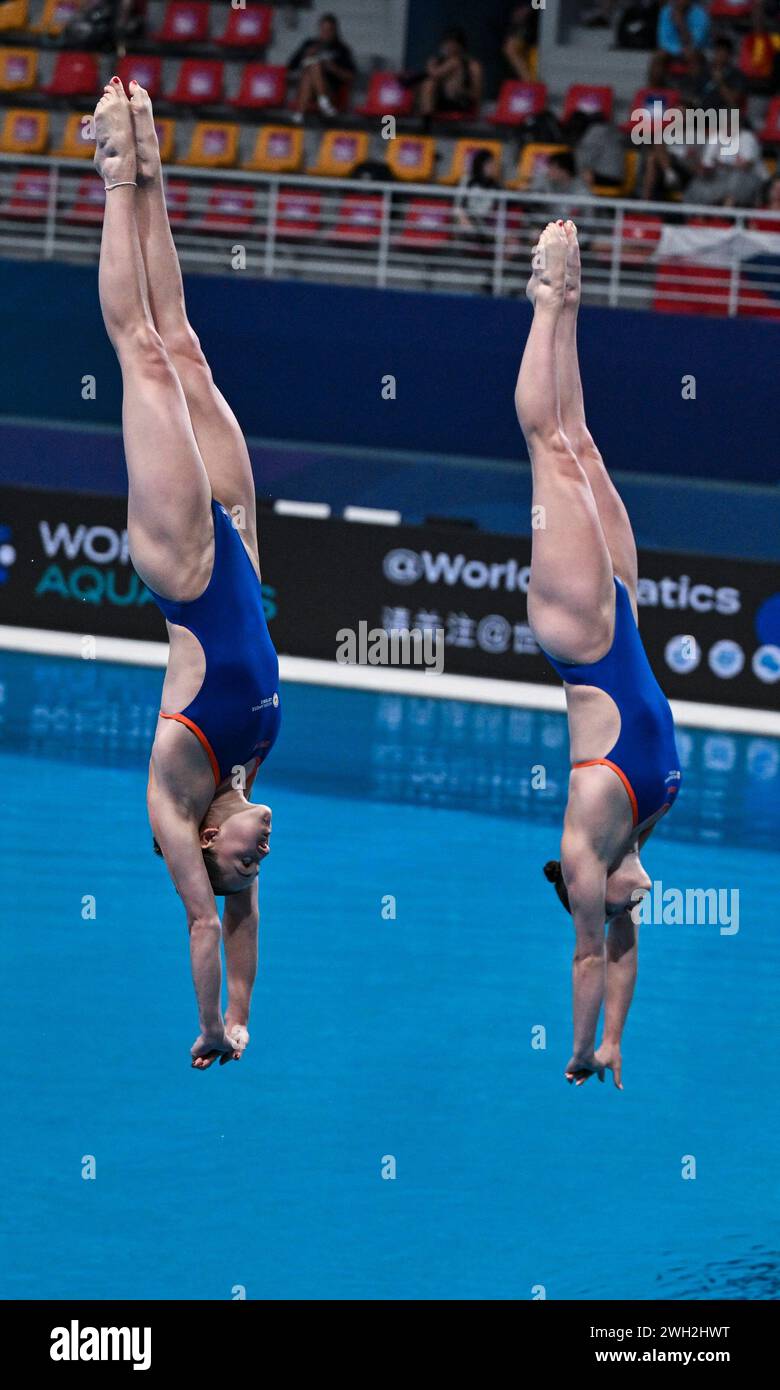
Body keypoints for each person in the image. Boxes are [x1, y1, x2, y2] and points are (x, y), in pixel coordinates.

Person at [92, 77, 281, 1070]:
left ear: (206, 844)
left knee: (144, 355)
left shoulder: (178, 793)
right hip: (241, 550)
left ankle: (114, 171)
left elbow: (210, 927)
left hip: (183, 568)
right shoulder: (244, 779)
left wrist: (212, 1028)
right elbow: (246, 927)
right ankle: (150, 150)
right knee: (191, 352)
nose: (261, 855)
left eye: (243, 860)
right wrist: (249, 1015)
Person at [514, 220, 682, 1088]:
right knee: (586, 449)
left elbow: (590, 962)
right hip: (626, 614)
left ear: (586, 895)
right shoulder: (638, 840)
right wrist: (620, 1041)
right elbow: (623, 961)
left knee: (549, 452)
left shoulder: (590, 854)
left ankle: (544, 300)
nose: (635, 909)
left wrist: (579, 1049)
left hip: (581, 638)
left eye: (619, 911)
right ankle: (570, 297)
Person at [287, 12, 356, 122]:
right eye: (323, 30)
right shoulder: (309, 44)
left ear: (335, 31)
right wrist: (305, 55)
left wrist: (332, 67)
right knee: (310, 72)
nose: (326, 33)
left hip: (331, 90)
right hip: (307, 91)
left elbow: (350, 76)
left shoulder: (342, 49)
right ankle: (323, 102)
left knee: (313, 67)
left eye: (329, 30)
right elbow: (291, 66)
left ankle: (299, 114)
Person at [417, 27, 483, 130]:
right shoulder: (437, 62)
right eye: (446, 43)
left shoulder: (472, 65)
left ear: (460, 46)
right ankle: (426, 123)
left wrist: (461, 91)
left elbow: (477, 94)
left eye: (452, 44)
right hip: (441, 101)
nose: (449, 47)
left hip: (461, 101)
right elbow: (432, 77)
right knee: (428, 83)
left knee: (451, 65)